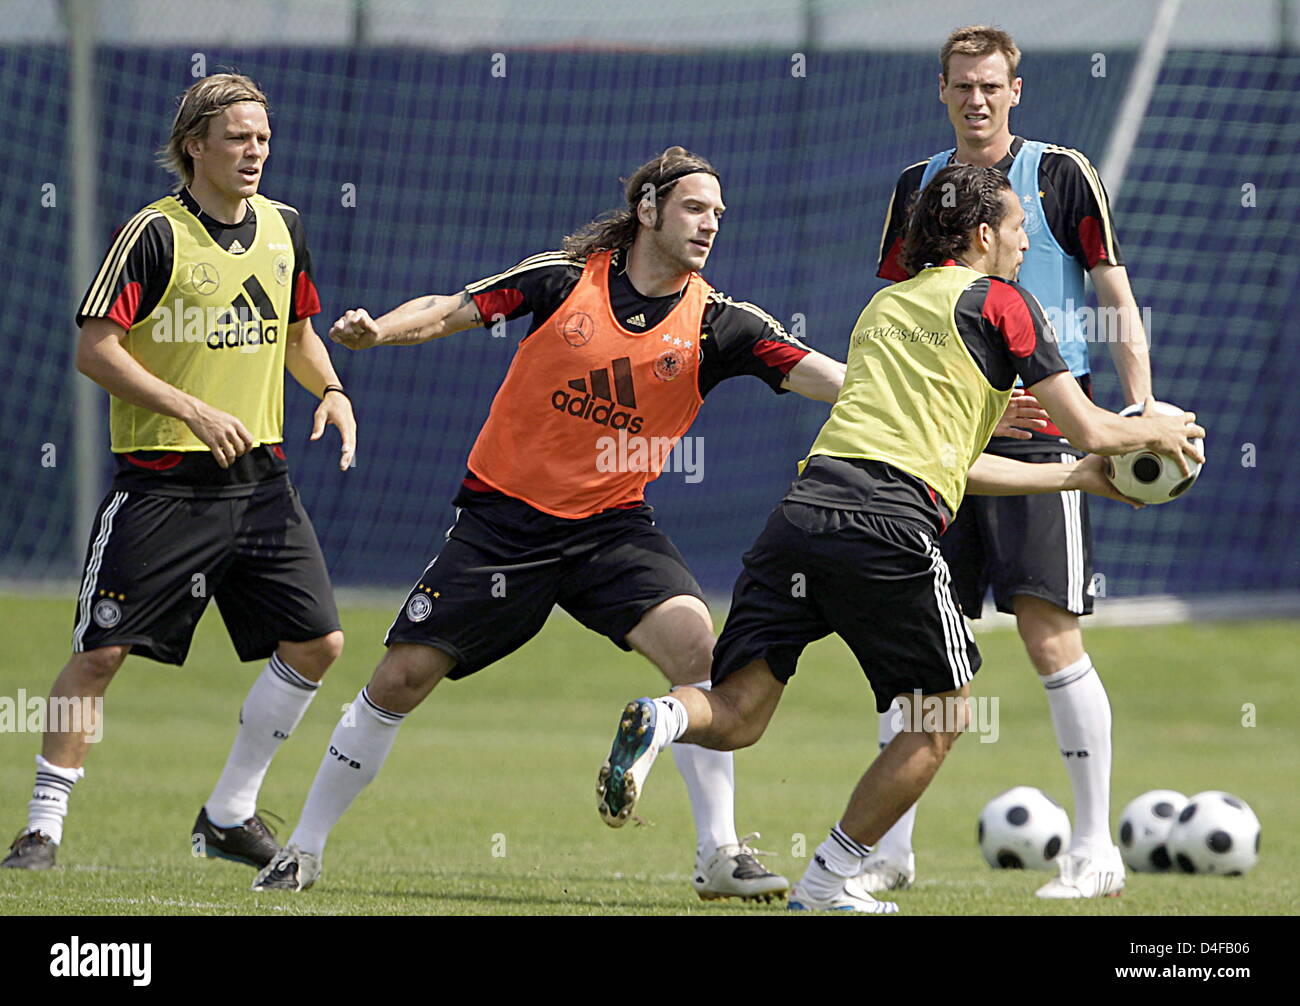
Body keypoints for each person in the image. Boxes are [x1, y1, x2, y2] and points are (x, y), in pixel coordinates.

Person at [250, 147, 856, 899]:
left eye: (719, 215)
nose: (710, 225)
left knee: (702, 654)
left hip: (611, 529)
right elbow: (448, 309)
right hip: (504, 526)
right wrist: (379, 331)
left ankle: (719, 855)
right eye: (696, 208)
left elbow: (832, 380)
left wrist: (945, 412)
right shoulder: (565, 281)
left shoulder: (721, 324)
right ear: (648, 211)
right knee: (400, 676)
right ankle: (302, 850)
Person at [596, 164, 1203, 913]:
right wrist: (1161, 427)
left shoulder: (888, 305)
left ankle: (663, 717)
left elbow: (953, 463)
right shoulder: (1005, 303)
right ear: (983, 234)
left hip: (801, 516)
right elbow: (1093, 426)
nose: (1022, 242)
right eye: (1017, 229)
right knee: (942, 713)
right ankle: (825, 884)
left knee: (738, 711)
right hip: (886, 527)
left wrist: (1074, 479)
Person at [2, 74, 356, 872]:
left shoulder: (284, 227)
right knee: (100, 655)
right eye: (238, 137)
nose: (255, 150)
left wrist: (332, 390)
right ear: (195, 145)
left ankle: (229, 812)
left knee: (319, 642)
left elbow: (296, 332)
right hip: (163, 484)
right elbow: (96, 350)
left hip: (260, 481)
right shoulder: (153, 234)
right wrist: (189, 408)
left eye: (263, 136)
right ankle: (42, 830)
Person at [868, 25, 1155, 898]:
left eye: (992, 84)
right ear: (943, 91)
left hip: (1042, 434)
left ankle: (1094, 848)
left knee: (1048, 633)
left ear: (1016, 89)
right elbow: (897, 304)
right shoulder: (919, 187)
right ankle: (886, 851)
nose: (977, 98)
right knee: (917, 646)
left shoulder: (1062, 174)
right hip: (943, 441)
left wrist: (1136, 408)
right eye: (962, 85)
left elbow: (1113, 291)